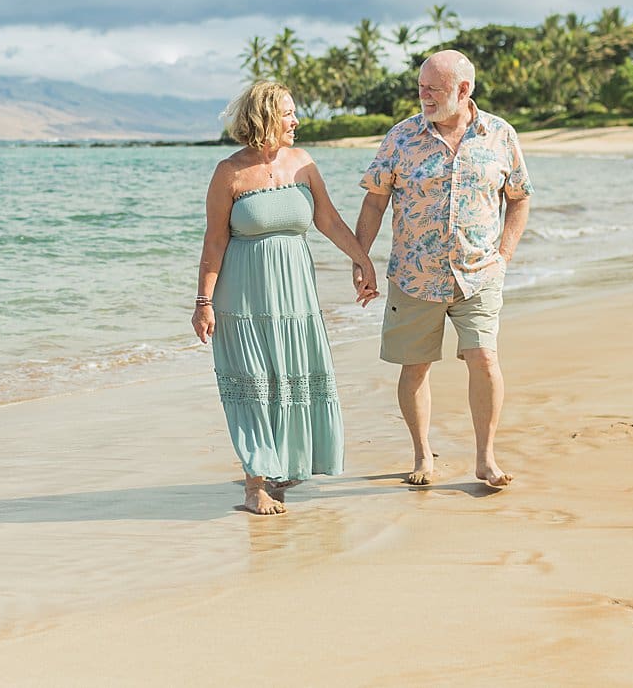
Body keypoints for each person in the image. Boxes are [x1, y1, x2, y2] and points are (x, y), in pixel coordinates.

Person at [193, 81, 379, 515]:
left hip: (295, 296)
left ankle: (285, 465)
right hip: (242, 300)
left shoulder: (303, 165)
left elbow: (328, 220)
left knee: (294, 375)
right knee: (254, 385)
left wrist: (362, 261)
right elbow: (214, 242)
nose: (297, 121)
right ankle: (254, 485)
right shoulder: (229, 173)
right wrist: (203, 302)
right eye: (288, 114)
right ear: (263, 119)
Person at [353, 50, 532, 489]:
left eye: (434, 88)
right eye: (421, 86)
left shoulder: (500, 135)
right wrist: (361, 259)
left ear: (464, 89)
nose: (424, 95)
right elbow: (375, 200)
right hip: (414, 276)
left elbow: (520, 196)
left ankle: (486, 458)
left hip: (479, 274)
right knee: (414, 368)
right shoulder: (401, 138)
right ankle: (421, 455)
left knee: (485, 359)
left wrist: (504, 255)